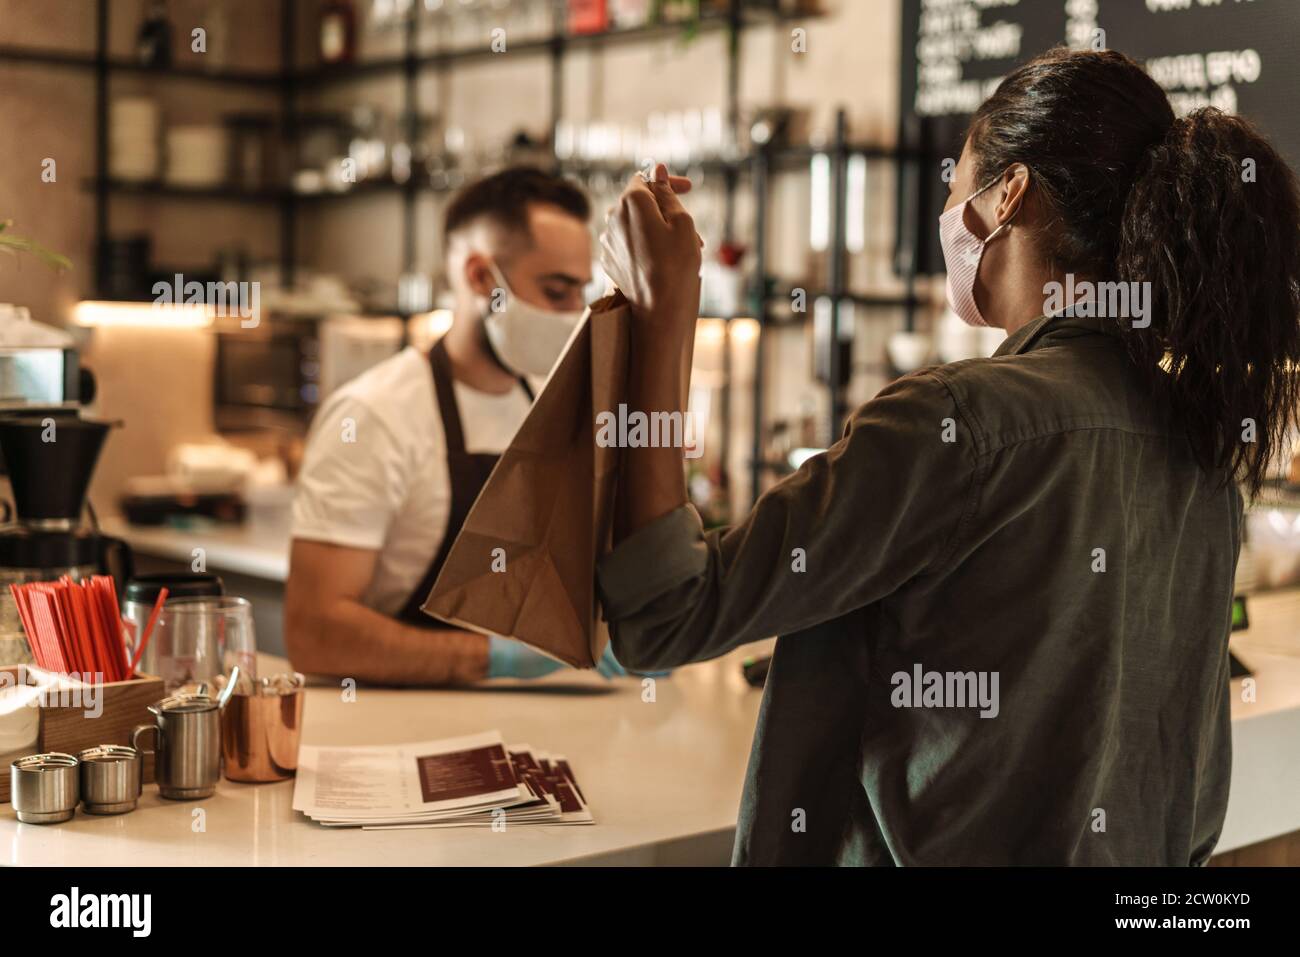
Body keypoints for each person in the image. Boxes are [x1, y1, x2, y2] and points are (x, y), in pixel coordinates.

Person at [594, 49, 1300, 864]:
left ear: (1011, 195)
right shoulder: (1203, 445)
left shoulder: (956, 423)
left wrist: (661, 313)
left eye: (955, 183)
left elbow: (664, 615)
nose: (947, 212)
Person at [286, 166, 625, 684]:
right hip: (391, 726)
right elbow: (316, 633)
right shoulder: (376, 416)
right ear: (481, 278)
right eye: (556, 292)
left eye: (581, 292)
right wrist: (499, 658)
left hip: (520, 723)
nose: (575, 313)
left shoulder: (552, 411)